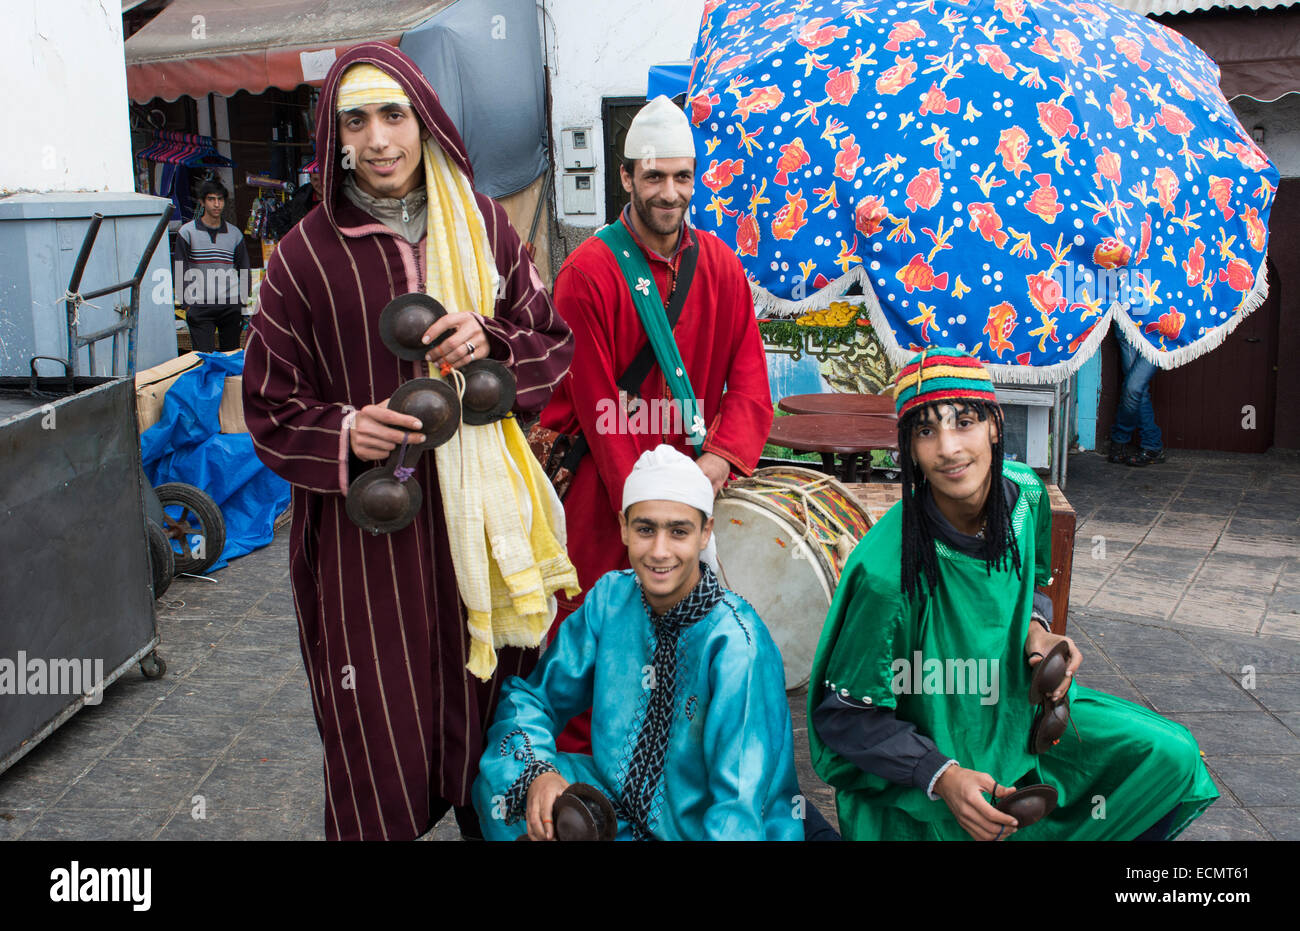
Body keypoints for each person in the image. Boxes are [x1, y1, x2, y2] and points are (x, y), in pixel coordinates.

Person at [241, 43, 574, 841]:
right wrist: (349, 428)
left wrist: (491, 342)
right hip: (367, 547)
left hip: (483, 541)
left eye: (395, 115)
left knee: (491, 726)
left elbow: (552, 345)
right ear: (337, 138)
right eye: (357, 121)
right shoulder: (303, 259)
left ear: (424, 123)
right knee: (374, 741)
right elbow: (268, 405)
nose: (380, 138)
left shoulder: (485, 227)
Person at [808, 347, 1218, 840]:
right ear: (908, 450)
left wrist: (1038, 630)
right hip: (931, 758)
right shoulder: (887, 576)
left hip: (1014, 718)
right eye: (925, 431)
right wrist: (940, 775)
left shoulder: (1026, 494)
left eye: (964, 422)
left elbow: (1035, 582)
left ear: (995, 426)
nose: (948, 448)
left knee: (1167, 756)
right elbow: (846, 716)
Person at [537, 95, 774, 750]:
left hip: (691, 486)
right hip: (602, 493)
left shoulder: (722, 268)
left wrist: (718, 461)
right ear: (626, 177)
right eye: (653, 176)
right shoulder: (587, 273)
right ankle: (586, 784)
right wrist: (655, 508)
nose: (670, 193)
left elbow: (751, 382)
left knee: (685, 641)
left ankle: (669, 772)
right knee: (598, 633)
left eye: (682, 177)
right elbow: (599, 410)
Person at [473, 445, 803, 841]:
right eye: (646, 529)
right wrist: (541, 774)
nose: (660, 551)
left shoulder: (737, 646)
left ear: (705, 534)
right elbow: (534, 700)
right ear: (624, 527)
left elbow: (737, 808)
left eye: (678, 531)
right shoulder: (611, 598)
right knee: (508, 791)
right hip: (616, 809)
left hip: (707, 829)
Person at [175, 179, 250, 352]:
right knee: (203, 358)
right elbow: (180, 268)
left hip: (230, 304)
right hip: (199, 304)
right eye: (211, 199)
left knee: (230, 357)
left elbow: (244, 267)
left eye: (220, 199)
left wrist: (243, 301)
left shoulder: (234, 234)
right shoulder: (187, 232)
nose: (217, 204)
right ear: (202, 201)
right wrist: (186, 303)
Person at [1108, 330, 1165, 466]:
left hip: (1156, 332)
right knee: (1137, 390)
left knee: (1133, 387)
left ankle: (1121, 438)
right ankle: (1152, 445)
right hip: (1126, 328)